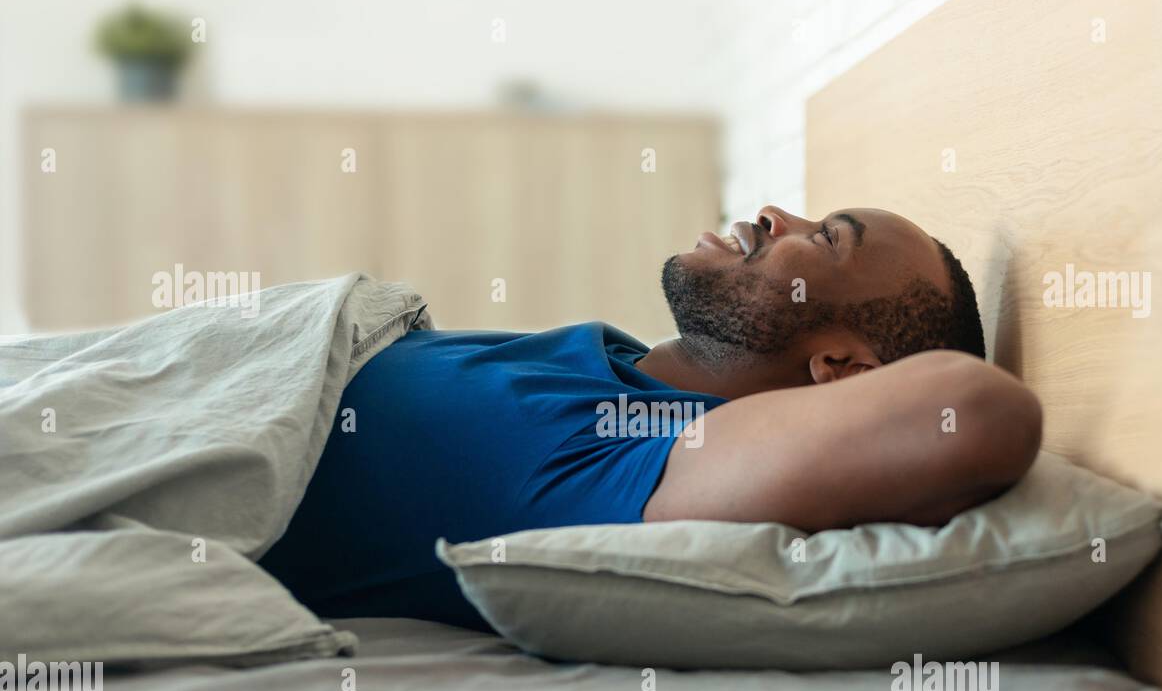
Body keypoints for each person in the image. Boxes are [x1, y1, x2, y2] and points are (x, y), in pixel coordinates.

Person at [259, 206, 1042, 629]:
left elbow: (975, 412)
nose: (775, 215)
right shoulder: (616, 368)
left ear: (839, 371)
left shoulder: (640, 460)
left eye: (826, 239)